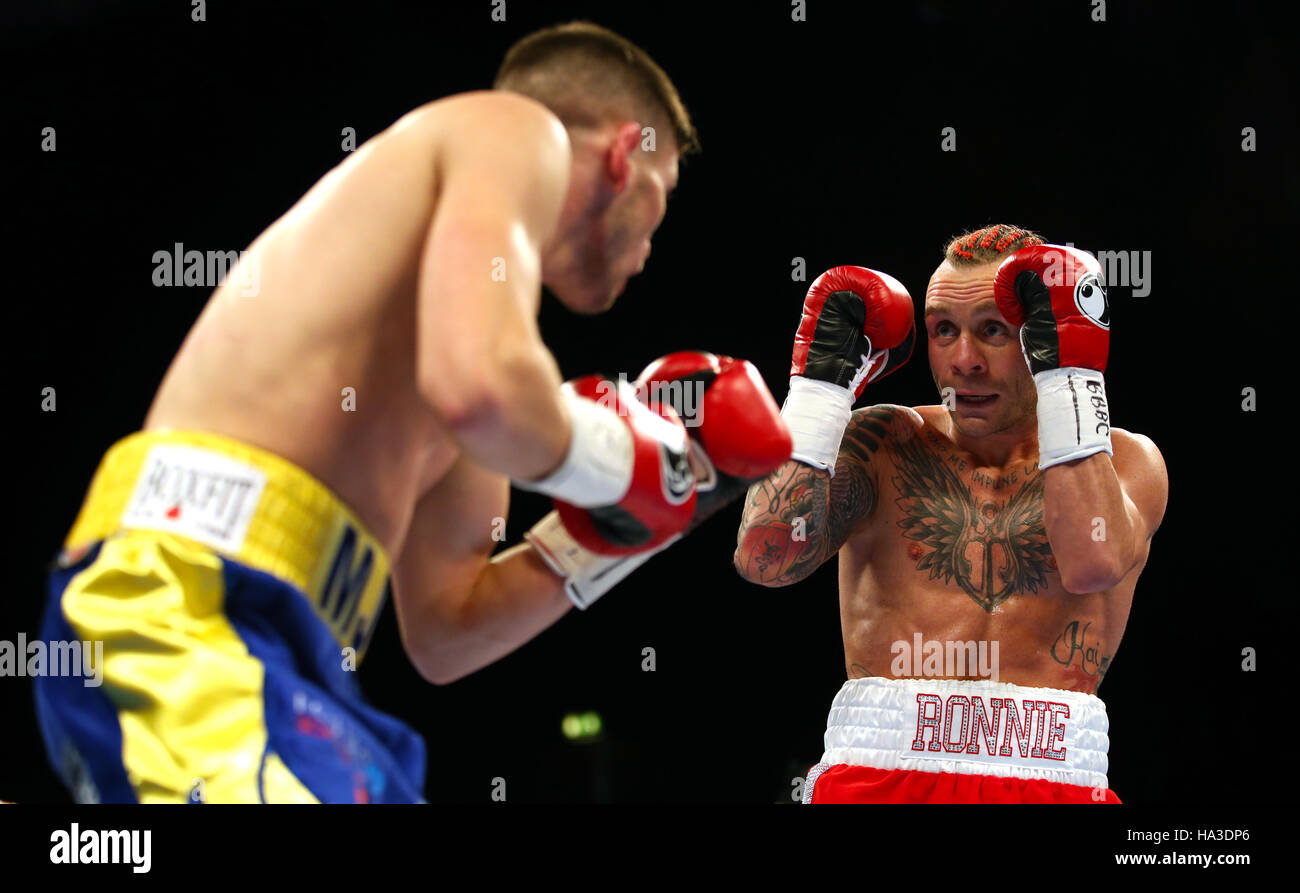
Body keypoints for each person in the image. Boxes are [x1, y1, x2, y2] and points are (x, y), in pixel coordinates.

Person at [35, 21, 790, 804]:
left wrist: (654, 518)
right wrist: (636, 459)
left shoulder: (468, 347)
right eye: (662, 191)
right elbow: (487, 390)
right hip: (181, 602)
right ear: (622, 152)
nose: (650, 247)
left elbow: (447, 629)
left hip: (283, 662)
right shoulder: (512, 129)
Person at [735, 224, 1168, 803]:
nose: (964, 361)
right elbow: (767, 559)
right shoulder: (884, 442)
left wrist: (1071, 375)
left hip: (1054, 773)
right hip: (880, 768)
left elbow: (1092, 562)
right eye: (944, 330)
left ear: (1041, 333)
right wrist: (820, 390)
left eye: (993, 329)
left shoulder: (1128, 461)